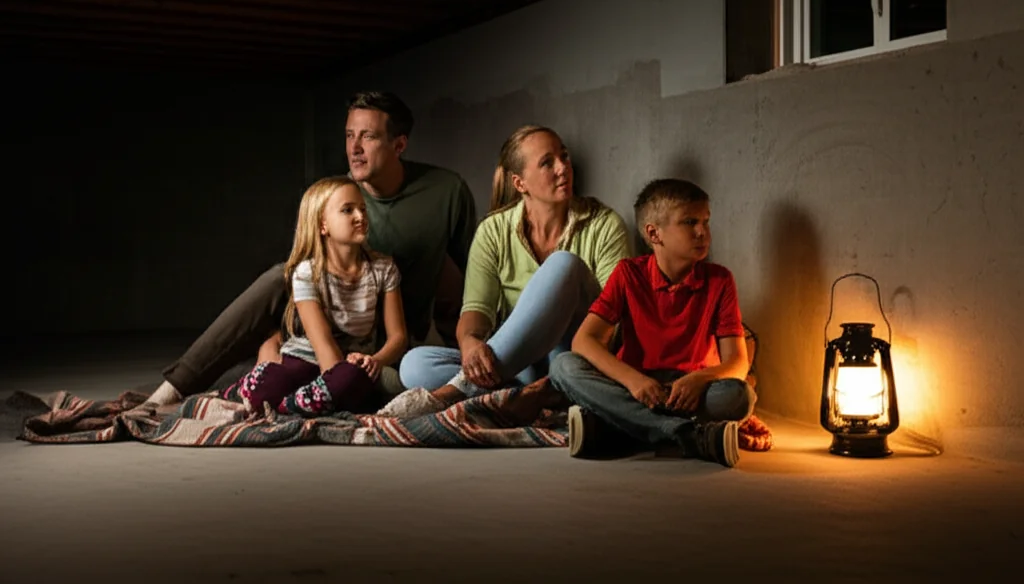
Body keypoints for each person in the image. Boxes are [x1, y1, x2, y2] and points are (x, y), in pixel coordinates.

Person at [145, 91, 476, 407]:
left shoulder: (446, 191)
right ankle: (173, 389)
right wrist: (271, 340)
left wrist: (469, 347)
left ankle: (302, 389)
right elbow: (304, 281)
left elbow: (472, 278)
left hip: (385, 339)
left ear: (399, 144)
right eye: (349, 136)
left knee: (381, 384)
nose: (355, 148)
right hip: (324, 331)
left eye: (368, 137)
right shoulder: (338, 198)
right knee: (281, 276)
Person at [379, 125, 632, 419]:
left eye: (564, 157)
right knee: (415, 364)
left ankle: (458, 393)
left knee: (564, 264)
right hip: (521, 365)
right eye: (547, 162)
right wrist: (471, 343)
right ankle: (531, 397)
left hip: (576, 359)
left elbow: (614, 323)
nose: (563, 168)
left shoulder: (604, 224)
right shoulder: (493, 230)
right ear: (520, 183)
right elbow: (476, 311)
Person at [548, 178, 756, 468]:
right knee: (562, 366)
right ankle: (684, 434)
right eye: (689, 222)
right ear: (653, 233)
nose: (702, 232)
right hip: (638, 387)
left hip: (692, 391)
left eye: (706, 221)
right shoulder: (628, 274)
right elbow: (584, 340)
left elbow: (738, 362)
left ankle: (617, 425)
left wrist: (699, 379)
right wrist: (633, 381)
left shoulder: (720, 280)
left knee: (739, 397)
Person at [236, 176, 406, 416]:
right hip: (308, 359)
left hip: (355, 364)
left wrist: (376, 360)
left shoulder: (384, 268)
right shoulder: (307, 273)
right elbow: (323, 344)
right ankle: (274, 397)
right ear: (323, 225)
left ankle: (286, 406)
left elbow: (398, 337)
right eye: (348, 210)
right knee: (274, 381)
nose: (360, 217)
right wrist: (337, 383)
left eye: (362, 209)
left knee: (379, 382)